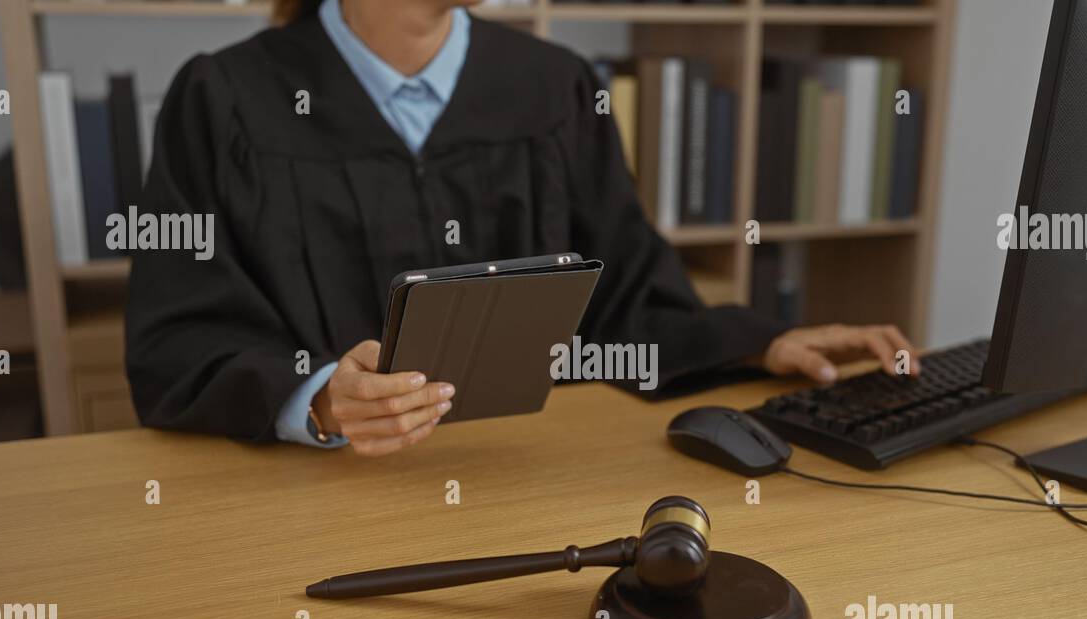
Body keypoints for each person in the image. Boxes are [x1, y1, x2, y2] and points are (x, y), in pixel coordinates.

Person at [125, 0, 919, 457]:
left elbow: (627, 303)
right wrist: (319, 399)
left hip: (529, 486)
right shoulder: (224, 100)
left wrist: (759, 342)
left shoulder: (556, 88)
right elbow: (177, 340)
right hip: (308, 508)